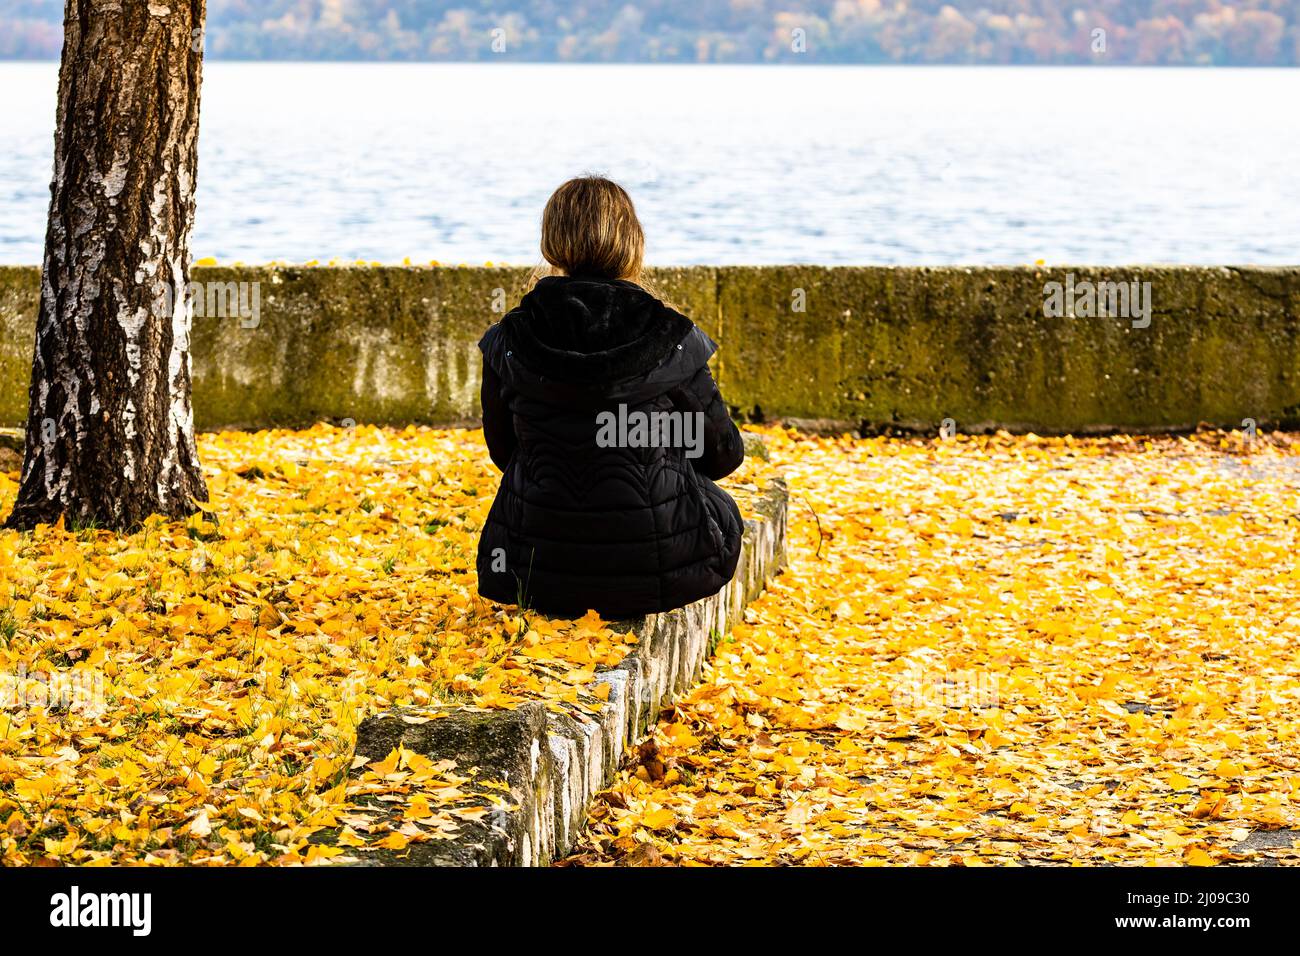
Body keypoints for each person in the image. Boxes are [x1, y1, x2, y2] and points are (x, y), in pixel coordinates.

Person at [476, 175, 745, 618]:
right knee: (721, 508)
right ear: (631, 242)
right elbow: (724, 456)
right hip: (659, 571)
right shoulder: (671, 336)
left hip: (531, 567)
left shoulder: (508, 339)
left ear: (551, 244)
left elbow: (504, 452)